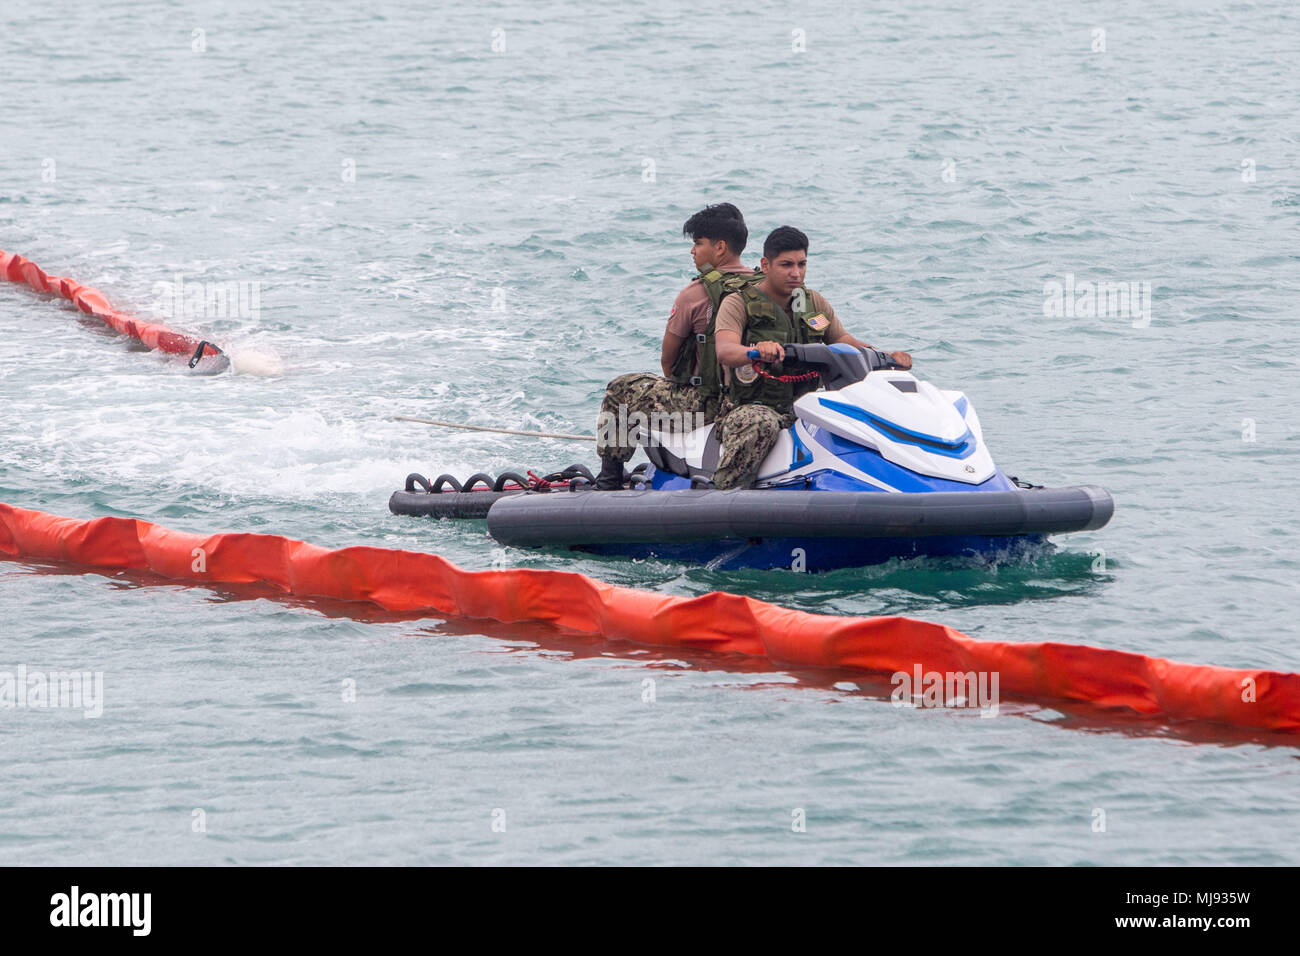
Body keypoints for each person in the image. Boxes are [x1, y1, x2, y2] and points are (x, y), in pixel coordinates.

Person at [711, 226, 912, 489]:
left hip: (805, 404)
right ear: (766, 265)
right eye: (786, 265)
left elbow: (845, 343)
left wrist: (888, 357)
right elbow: (725, 350)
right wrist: (757, 351)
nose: (796, 273)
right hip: (751, 405)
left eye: (801, 264)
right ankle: (727, 492)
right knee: (758, 423)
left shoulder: (812, 302)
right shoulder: (738, 303)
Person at [593, 203, 758, 490]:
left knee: (620, 390)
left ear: (720, 248)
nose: (693, 251)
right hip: (754, 401)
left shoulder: (694, 295)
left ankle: (608, 480)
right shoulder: (766, 288)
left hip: (705, 407)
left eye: (698, 243)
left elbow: (668, 361)